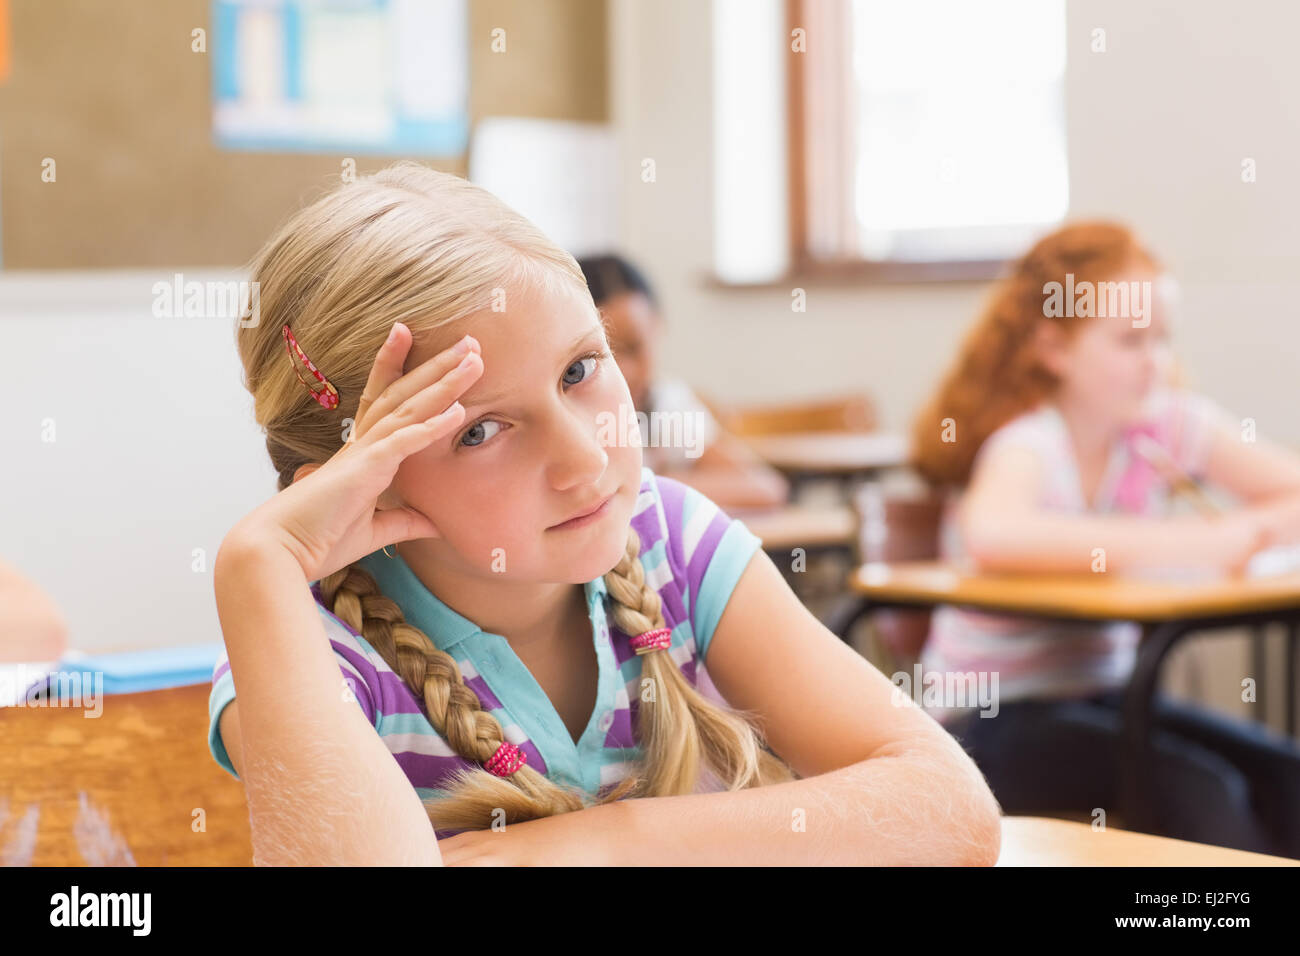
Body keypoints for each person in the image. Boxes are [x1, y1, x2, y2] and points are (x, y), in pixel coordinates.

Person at [206, 162, 1001, 866]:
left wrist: (611, 842)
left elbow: (950, 810)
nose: (586, 458)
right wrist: (259, 565)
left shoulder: (674, 544)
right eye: (479, 431)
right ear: (360, 481)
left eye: (581, 368)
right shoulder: (304, 650)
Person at [910, 220, 1300, 857]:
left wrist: (1249, 531)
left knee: (1286, 775)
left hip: (1108, 696)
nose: (1156, 362)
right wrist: (1207, 545)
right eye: (1130, 341)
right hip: (988, 718)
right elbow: (993, 534)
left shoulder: (1164, 427)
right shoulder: (1029, 443)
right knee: (1207, 792)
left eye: (1161, 339)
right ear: (1054, 348)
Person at [577, 253, 790, 512]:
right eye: (605, 354)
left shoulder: (666, 405)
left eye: (634, 348)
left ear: (657, 328)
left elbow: (764, 487)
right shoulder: (567, 418)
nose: (625, 371)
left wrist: (654, 486)